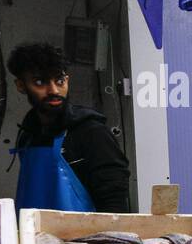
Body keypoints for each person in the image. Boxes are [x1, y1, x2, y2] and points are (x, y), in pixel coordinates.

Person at [8, 42, 132, 212]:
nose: (54, 90)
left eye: (59, 81)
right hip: (32, 236)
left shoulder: (92, 132)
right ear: (21, 86)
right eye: (40, 82)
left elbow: (115, 204)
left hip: (83, 238)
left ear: (67, 80)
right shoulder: (27, 137)